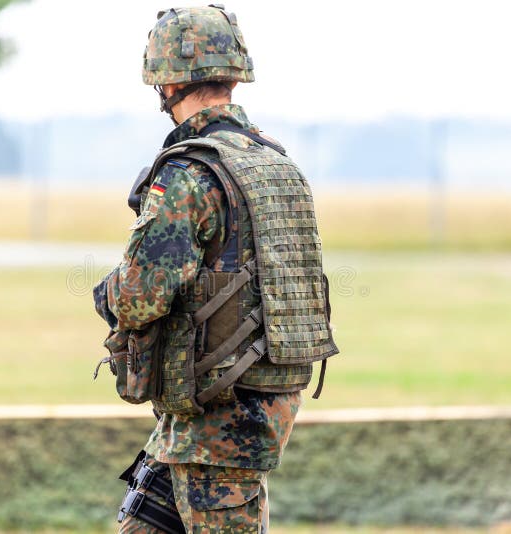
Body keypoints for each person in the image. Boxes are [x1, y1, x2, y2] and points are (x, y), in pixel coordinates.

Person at [93, 5, 338, 533]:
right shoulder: (275, 163)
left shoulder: (191, 172)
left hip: (215, 426)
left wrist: (106, 294)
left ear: (167, 81)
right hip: (235, 414)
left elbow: (140, 296)